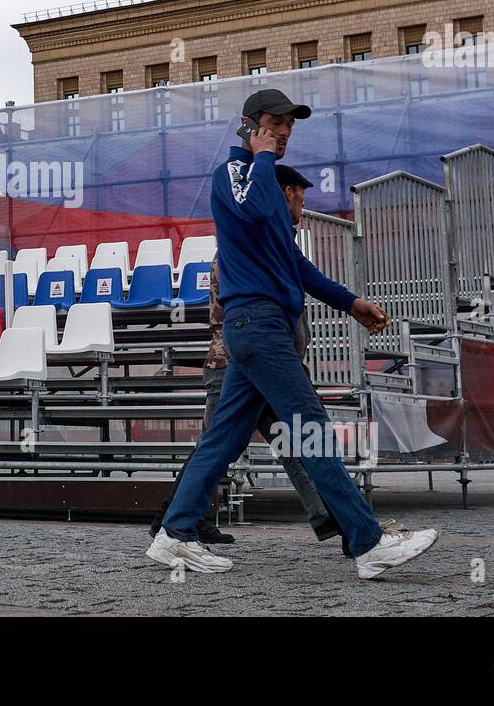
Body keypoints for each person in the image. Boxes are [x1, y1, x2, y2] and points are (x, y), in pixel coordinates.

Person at [147, 88, 439, 580]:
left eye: (289, 125)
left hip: (261, 327)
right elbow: (260, 209)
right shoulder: (236, 173)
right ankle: (367, 543)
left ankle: (174, 533)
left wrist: (351, 303)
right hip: (257, 324)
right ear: (248, 125)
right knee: (311, 431)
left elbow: (296, 265)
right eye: (272, 123)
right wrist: (259, 156)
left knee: (222, 440)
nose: (283, 132)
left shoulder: (257, 179)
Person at [150, 166, 339, 546]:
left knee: (243, 445)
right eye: (301, 195)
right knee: (255, 443)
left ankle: (179, 521)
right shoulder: (251, 251)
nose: (304, 204)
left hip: (245, 362)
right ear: (285, 193)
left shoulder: (261, 247)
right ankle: (175, 521)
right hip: (239, 364)